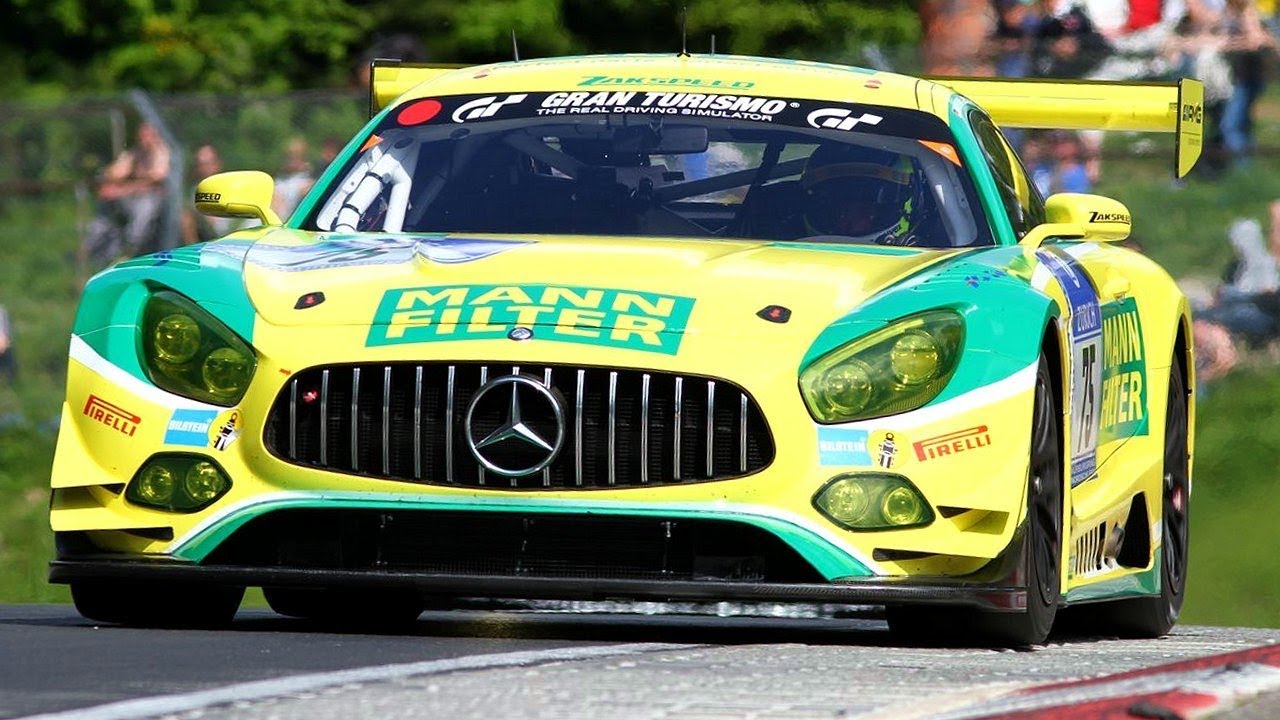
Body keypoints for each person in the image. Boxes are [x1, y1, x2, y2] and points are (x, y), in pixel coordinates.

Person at [79, 122, 172, 275]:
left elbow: (156, 179)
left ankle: (130, 249)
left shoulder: (162, 153)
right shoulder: (135, 154)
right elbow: (114, 172)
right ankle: (94, 240)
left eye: (148, 135)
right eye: (142, 135)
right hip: (131, 198)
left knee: (145, 206)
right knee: (107, 196)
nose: (143, 138)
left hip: (156, 202)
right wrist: (111, 183)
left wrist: (122, 190)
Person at [798, 145, 931, 246]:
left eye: (866, 207)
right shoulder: (785, 242)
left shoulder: (936, 258)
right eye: (837, 202)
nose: (849, 222)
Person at [272, 137, 315, 218]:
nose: (290, 161)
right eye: (288, 157)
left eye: (296, 157)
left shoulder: (308, 183)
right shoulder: (279, 181)